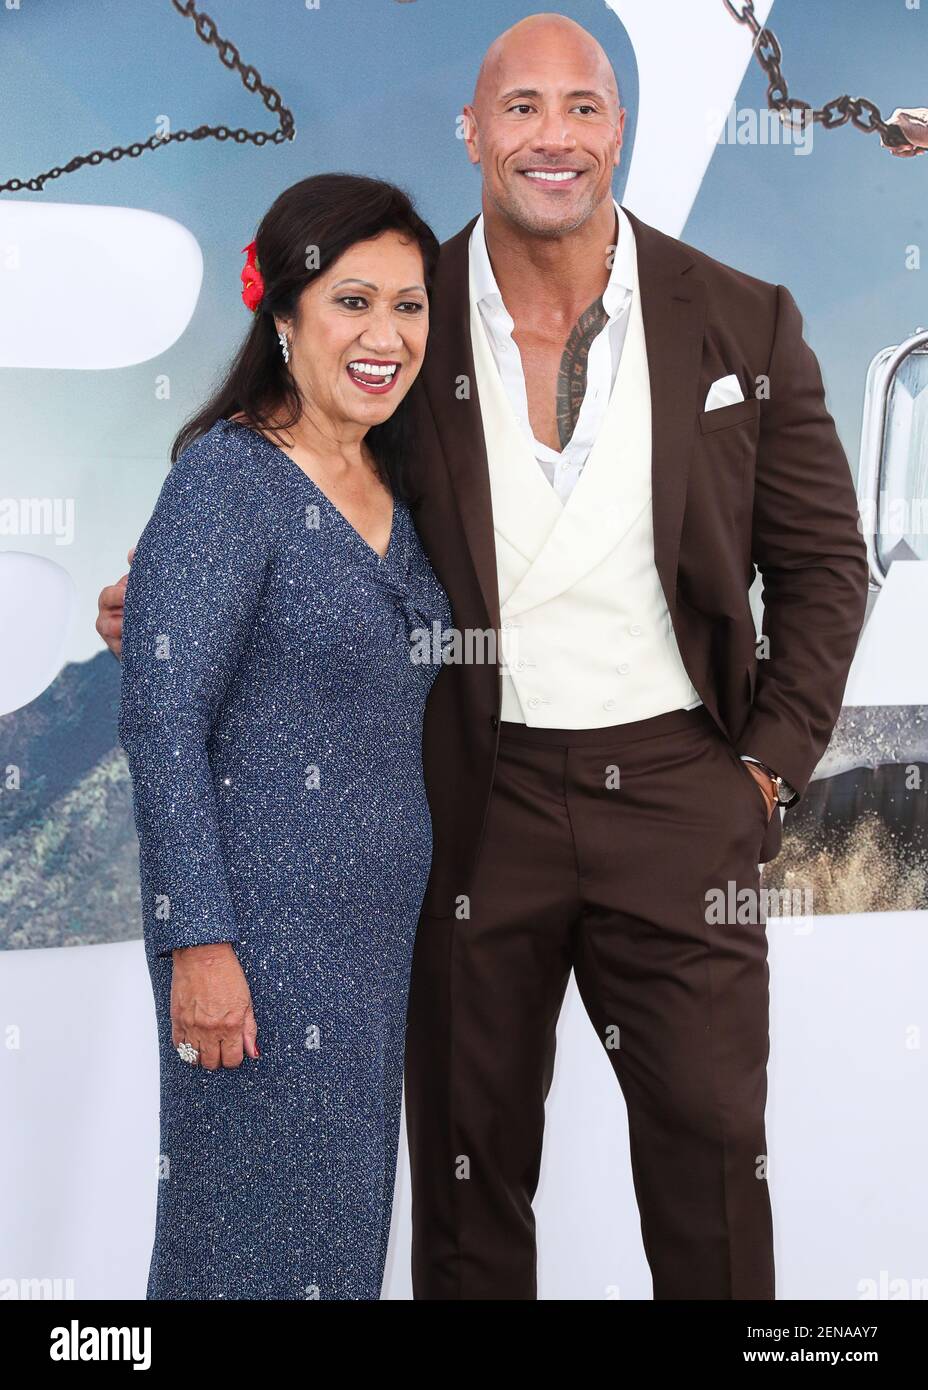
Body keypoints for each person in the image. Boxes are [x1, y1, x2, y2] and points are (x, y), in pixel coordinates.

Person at [100, 14, 870, 1301]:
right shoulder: (401, 318)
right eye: (520, 107)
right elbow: (308, 489)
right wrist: (174, 588)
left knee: (714, 1160)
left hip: (682, 791)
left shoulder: (746, 319)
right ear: (473, 132)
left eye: (583, 105)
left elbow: (824, 570)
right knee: (466, 1175)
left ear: (619, 127)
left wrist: (765, 775)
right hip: (471, 801)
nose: (552, 134)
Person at [116, 173, 450, 1300]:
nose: (384, 335)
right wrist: (199, 943)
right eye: (353, 301)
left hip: (371, 952)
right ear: (284, 316)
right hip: (256, 948)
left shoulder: (397, 476)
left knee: (334, 1250)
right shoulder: (226, 480)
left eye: (409, 306)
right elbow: (161, 717)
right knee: (239, 1253)